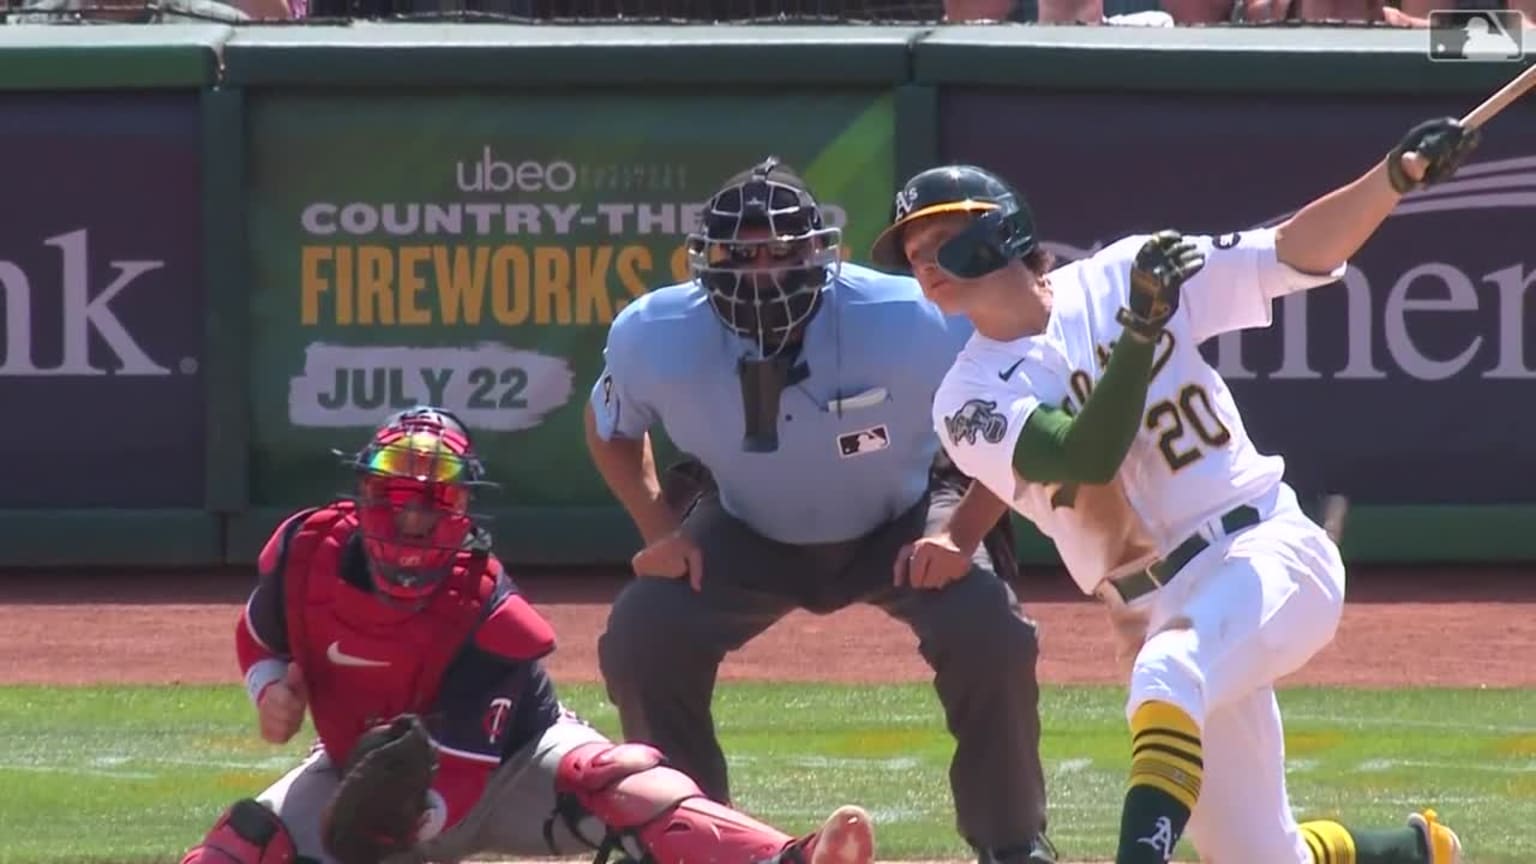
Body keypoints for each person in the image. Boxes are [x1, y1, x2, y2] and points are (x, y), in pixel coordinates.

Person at [869, 116, 1480, 864]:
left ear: (1001, 228)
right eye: (911, 251)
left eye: (938, 240)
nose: (922, 260)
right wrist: (1140, 330)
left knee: (1171, 672)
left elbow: (1289, 252)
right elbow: (1085, 456)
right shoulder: (964, 397)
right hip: (1147, 607)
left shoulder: (1124, 272)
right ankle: (1413, 851)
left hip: (1262, 549)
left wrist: (1394, 178)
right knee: (1261, 855)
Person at [585, 157, 1056, 864]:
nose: (762, 271)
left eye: (781, 252)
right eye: (741, 256)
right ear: (706, 262)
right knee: (642, 633)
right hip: (744, 523)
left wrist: (960, 534)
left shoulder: (912, 319)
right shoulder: (652, 333)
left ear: (818, 253)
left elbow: (1022, 411)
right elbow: (610, 429)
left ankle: (1015, 844)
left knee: (991, 629)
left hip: (902, 514)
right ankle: (681, 840)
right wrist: (659, 528)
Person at [178, 406, 877, 864]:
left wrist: (374, 832)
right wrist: (269, 687)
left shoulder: (488, 609)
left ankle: (789, 858)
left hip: (512, 766)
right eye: (397, 505)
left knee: (626, 785)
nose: (413, 526)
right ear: (363, 499)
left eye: (433, 508)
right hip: (357, 772)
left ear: (460, 510)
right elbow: (258, 636)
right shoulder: (306, 552)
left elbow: (458, 775)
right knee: (245, 843)